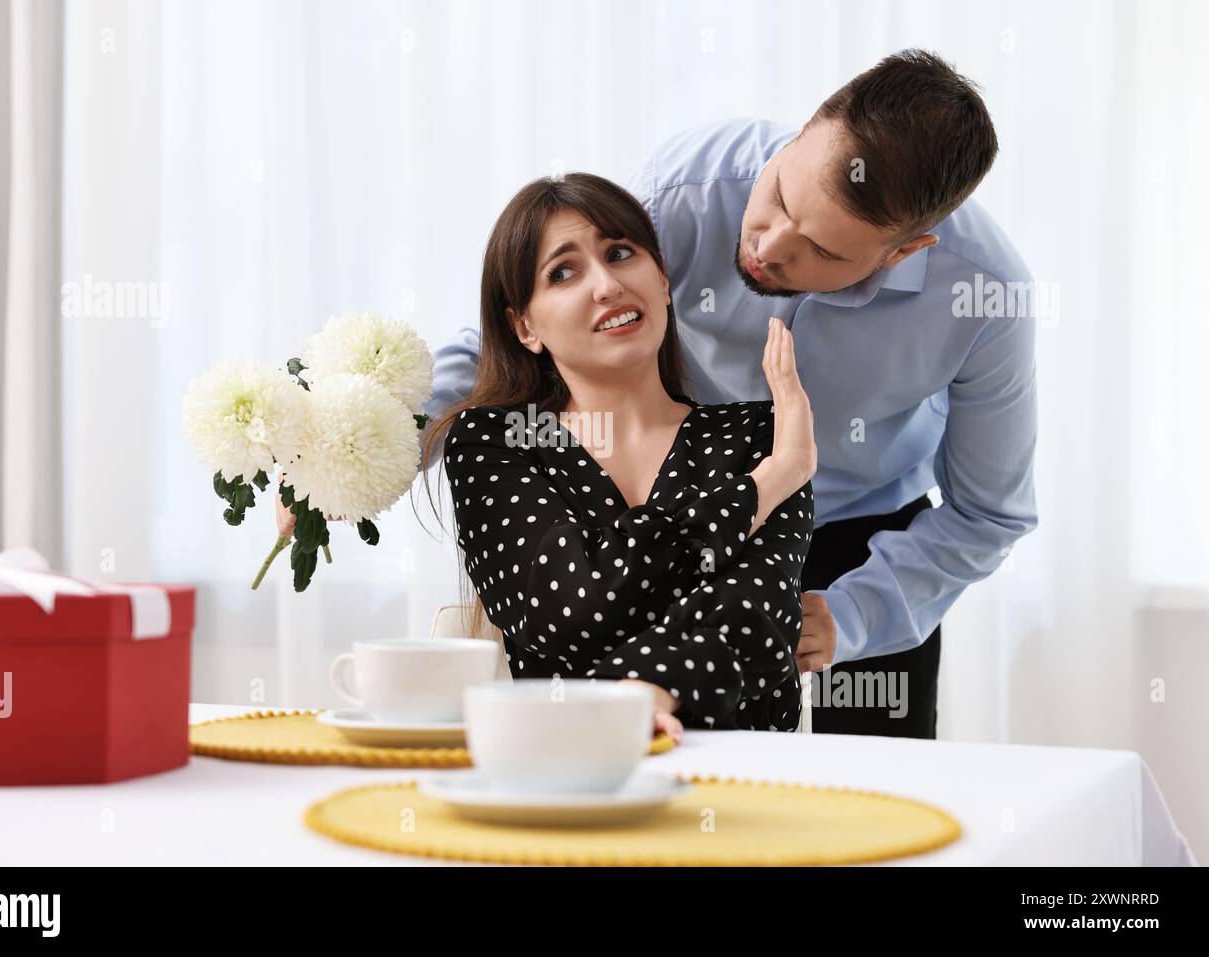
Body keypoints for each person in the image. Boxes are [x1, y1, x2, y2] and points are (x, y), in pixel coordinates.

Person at [426, 49, 1039, 739]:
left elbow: (990, 514)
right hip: (681, 500)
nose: (767, 246)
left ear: (903, 251)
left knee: (876, 810)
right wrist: (388, 442)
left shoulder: (984, 296)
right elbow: (536, 315)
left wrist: (857, 613)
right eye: (778, 195)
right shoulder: (690, 188)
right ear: (806, 128)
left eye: (823, 252)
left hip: (867, 540)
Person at [421, 172, 818, 741]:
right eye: (563, 272)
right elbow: (571, 612)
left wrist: (648, 690)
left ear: (661, 280)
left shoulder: (759, 434)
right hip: (569, 777)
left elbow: (755, 617)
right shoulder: (495, 442)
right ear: (525, 326)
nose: (606, 285)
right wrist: (769, 483)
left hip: (740, 781)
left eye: (620, 253)